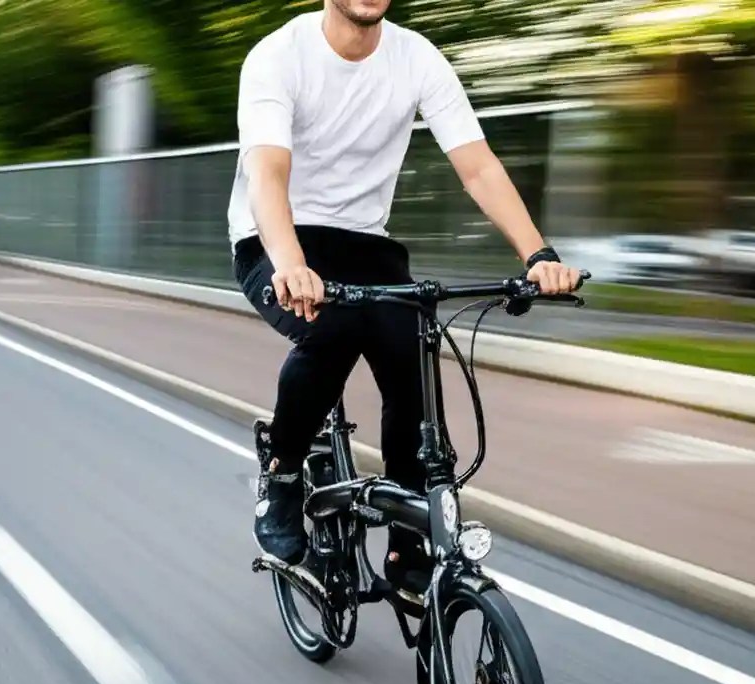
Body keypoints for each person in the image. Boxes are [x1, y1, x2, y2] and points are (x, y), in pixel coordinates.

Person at [227, 0, 581, 599]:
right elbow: (268, 176)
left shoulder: (417, 58)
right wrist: (291, 265)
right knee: (332, 330)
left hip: (366, 242)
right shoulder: (278, 57)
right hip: (277, 237)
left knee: (413, 358)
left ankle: (407, 540)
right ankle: (283, 472)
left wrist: (538, 255)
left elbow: (477, 168)